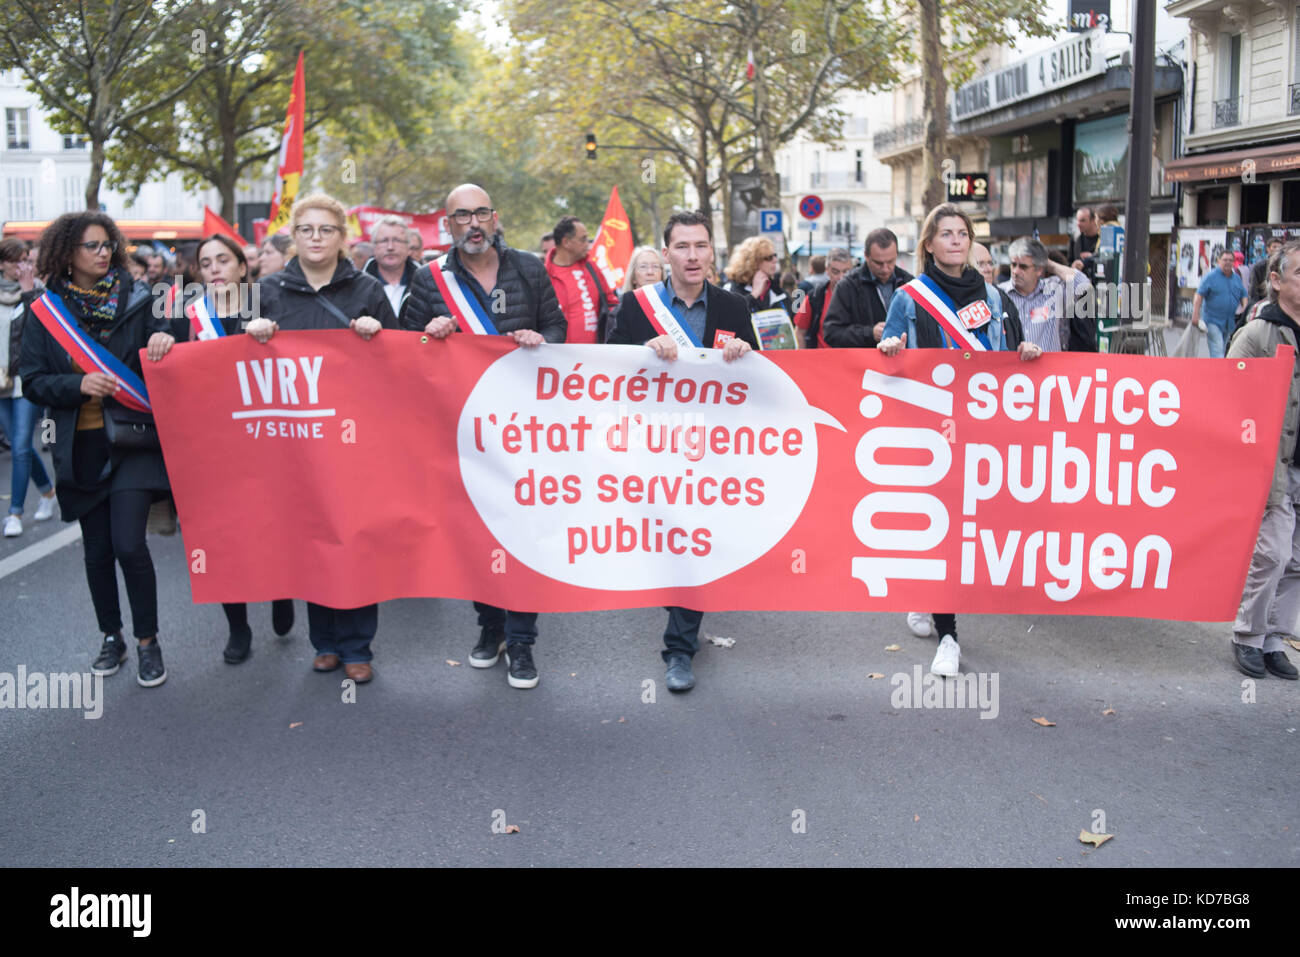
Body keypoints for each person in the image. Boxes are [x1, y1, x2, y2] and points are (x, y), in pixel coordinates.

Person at [399, 183, 564, 690]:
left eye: (482, 214)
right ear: (448, 225)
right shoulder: (430, 280)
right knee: (478, 533)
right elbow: (406, 349)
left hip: (525, 426)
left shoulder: (530, 269)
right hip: (465, 428)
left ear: (495, 218)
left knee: (522, 532)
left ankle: (521, 641)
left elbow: (558, 328)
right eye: (462, 216)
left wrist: (542, 341)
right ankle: (489, 626)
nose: (474, 223)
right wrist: (432, 334)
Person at [878, 203, 1039, 677]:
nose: (955, 240)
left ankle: (926, 594)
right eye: (945, 234)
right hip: (929, 424)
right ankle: (949, 635)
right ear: (929, 244)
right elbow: (889, 356)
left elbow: (1008, 349)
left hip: (979, 426)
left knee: (964, 524)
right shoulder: (909, 298)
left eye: (962, 233)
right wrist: (889, 350)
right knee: (941, 526)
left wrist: (1025, 352)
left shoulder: (991, 295)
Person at [18, 211, 176, 687]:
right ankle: (113, 637)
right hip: (80, 444)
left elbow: (161, 354)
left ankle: (149, 642)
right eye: (92, 246)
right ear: (67, 254)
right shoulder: (44, 313)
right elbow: (33, 382)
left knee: (130, 545)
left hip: (132, 441)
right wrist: (78, 384)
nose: (104, 252)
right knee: (97, 551)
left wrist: (166, 339)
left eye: (108, 244)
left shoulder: (141, 299)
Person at [246, 193, 396, 684]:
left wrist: (380, 336)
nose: (315, 238)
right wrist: (253, 333)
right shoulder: (267, 290)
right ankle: (325, 642)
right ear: (293, 235)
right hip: (295, 441)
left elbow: (399, 366)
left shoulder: (367, 289)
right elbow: (229, 357)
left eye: (325, 230)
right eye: (306, 229)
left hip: (354, 441)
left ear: (342, 238)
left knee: (353, 540)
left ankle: (358, 646)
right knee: (312, 537)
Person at [607, 210, 759, 692]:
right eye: (683, 247)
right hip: (655, 449)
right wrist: (641, 352)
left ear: (712, 251)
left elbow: (764, 376)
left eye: (701, 246)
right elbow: (606, 371)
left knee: (694, 544)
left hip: (712, 452)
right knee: (667, 544)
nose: (693, 256)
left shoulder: (735, 309)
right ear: (666, 252)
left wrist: (745, 355)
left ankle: (679, 647)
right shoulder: (636, 307)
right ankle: (681, 618)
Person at [181, 234, 295, 662]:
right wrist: (160, 344)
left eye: (223, 260)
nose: (213, 268)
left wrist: (273, 335)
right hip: (213, 447)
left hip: (267, 443)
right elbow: (170, 364)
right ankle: (238, 626)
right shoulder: (186, 315)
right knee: (225, 537)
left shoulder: (270, 307)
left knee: (272, 527)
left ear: (242, 268)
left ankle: (282, 589)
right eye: (206, 262)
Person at [1225, 238, 1300, 681]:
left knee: (1296, 560)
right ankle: (1247, 635)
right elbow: (1228, 399)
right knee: (1271, 553)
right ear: (1275, 281)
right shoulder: (1258, 334)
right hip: (1274, 467)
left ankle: (1275, 639)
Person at [1, 237, 58, 535]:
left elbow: (42, 327)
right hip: (1, 383)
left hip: (26, 379)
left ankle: (15, 514)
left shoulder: (37, 291)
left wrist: (27, 292)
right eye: (16, 260)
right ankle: (48, 492)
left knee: (22, 445)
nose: (23, 265)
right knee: (20, 445)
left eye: (26, 258)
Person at [1000, 236, 1095, 353]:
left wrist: (1049, 264)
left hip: (1049, 369)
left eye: (1023, 267)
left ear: (1039, 269)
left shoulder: (1054, 290)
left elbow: (1084, 286)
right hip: (1013, 370)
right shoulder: (1000, 294)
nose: (1015, 271)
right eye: (1013, 264)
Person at [822, 227, 912, 348]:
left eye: (891, 261)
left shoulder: (909, 283)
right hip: (863, 364)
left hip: (903, 361)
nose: (885, 269)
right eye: (878, 263)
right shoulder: (848, 285)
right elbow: (831, 332)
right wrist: (870, 333)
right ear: (866, 256)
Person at [545, 215, 619, 344]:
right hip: (556, 359)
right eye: (583, 239)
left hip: (595, 357)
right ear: (566, 242)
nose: (588, 245)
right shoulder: (543, 275)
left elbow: (612, 304)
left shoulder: (592, 268)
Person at [793, 246, 852, 349]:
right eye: (836, 272)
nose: (841, 277)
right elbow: (799, 331)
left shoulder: (860, 295)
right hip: (822, 360)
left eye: (845, 272)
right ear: (827, 270)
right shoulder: (814, 296)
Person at [1193, 250, 1248, 358]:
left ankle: (1216, 371)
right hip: (1212, 321)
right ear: (1218, 261)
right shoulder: (1211, 277)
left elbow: (1243, 295)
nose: (1228, 262)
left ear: (1234, 262)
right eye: (1225, 260)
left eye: (1230, 260)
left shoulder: (1236, 278)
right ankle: (1218, 373)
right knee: (1217, 349)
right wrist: (1195, 314)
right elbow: (1199, 295)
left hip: (1228, 322)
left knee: (1222, 349)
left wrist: (1245, 311)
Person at [363, 215, 419, 317]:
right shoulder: (358, 287)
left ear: (408, 247)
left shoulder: (426, 286)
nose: (390, 247)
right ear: (373, 246)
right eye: (384, 241)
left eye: (397, 240)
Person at [722, 236, 791, 317]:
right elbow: (728, 317)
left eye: (775, 255)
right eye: (769, 257)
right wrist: (753, 295)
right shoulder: (731, 289)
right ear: (753, 261)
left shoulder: (777, 291)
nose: (775, 260)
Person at [1248, 237, 1283, 310]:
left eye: (1279, 247)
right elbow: (1253, 290)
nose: (1277, 249)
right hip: (1263, 305)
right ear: (1268, 249)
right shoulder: (1259, 267)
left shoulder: (1284, 266)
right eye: (1274, 247)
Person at [1069, 206, 1100, 271]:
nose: (1078, 224)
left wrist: (1092, 257)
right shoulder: (1075, 239)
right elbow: (1070, 263)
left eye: (1082, 220)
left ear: (1093, 220)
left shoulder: (1102, 238)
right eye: (1077, 220)